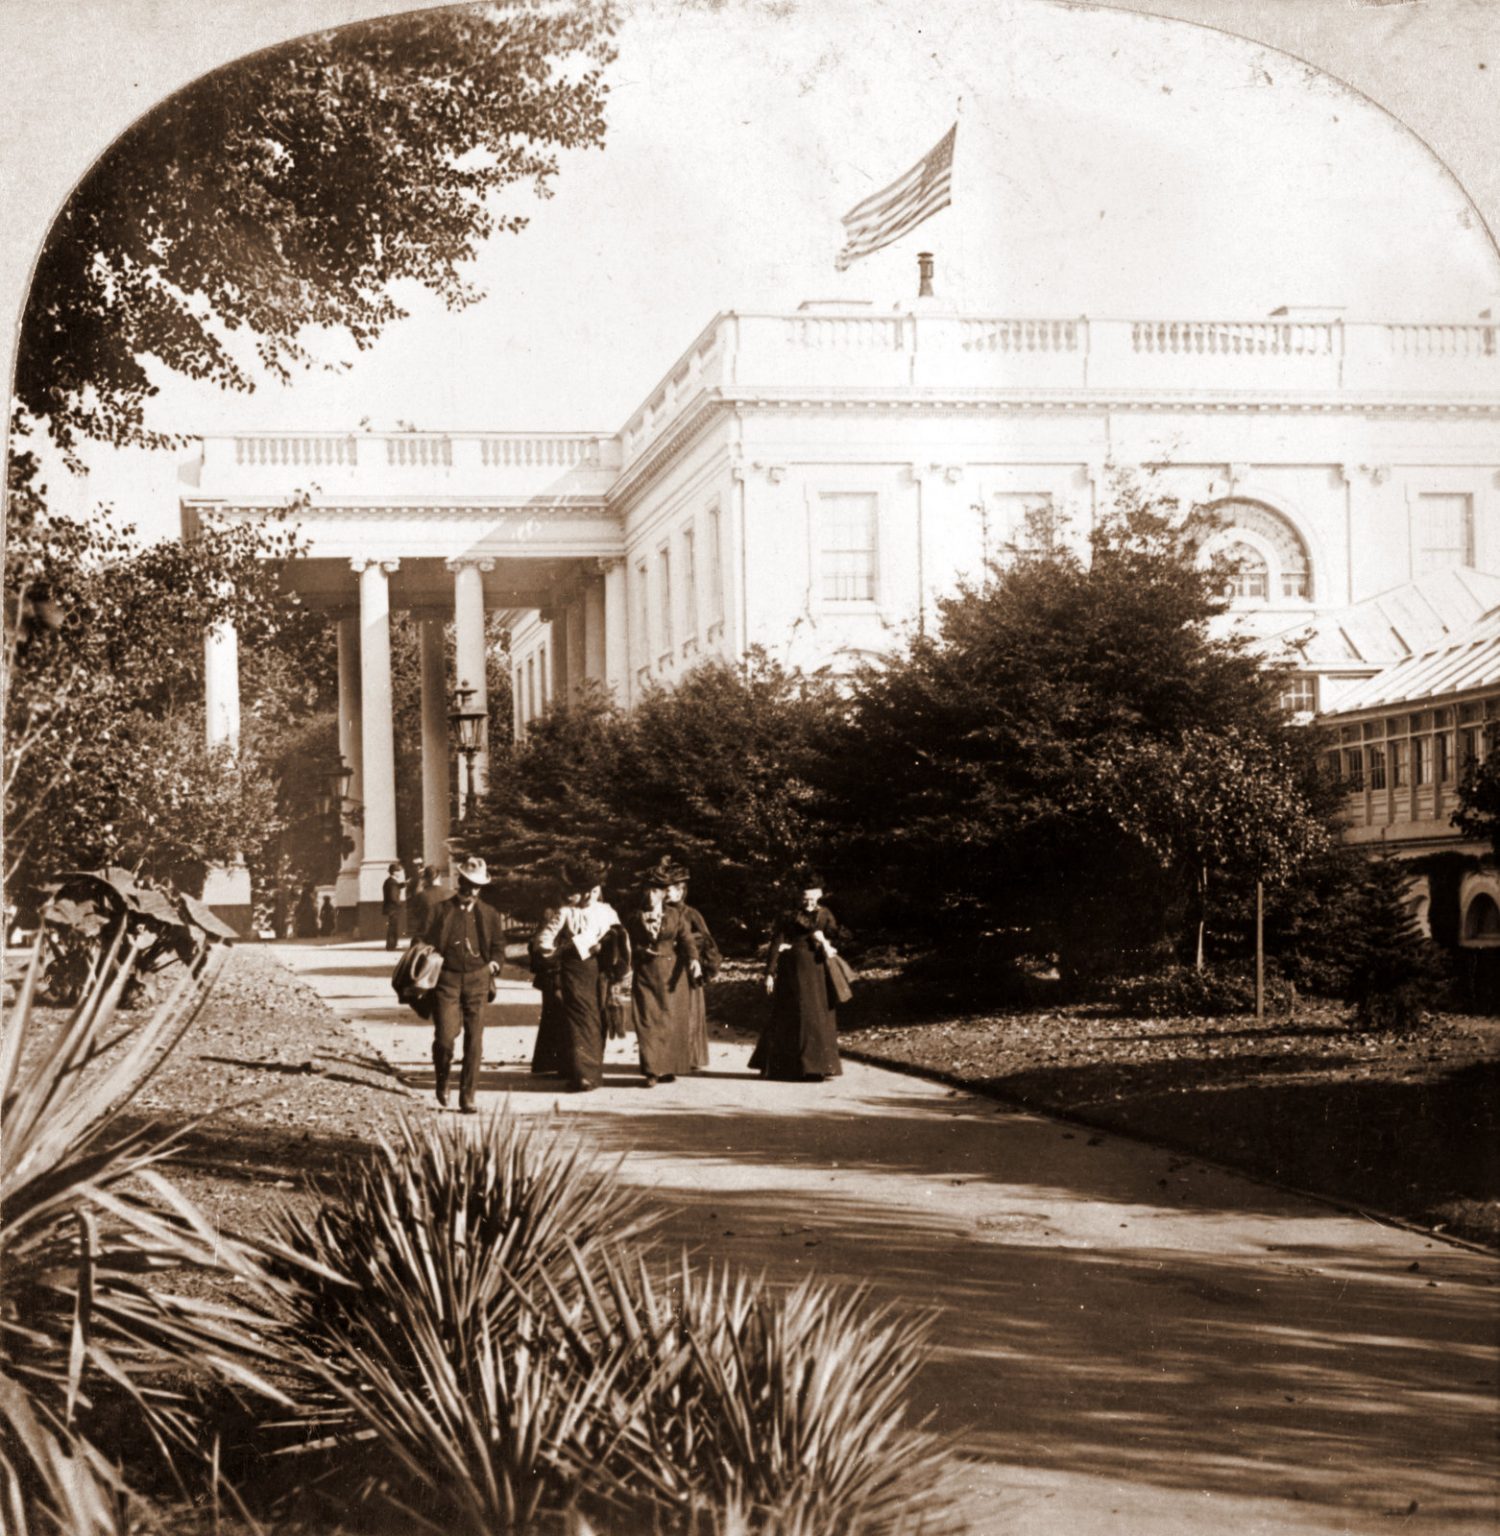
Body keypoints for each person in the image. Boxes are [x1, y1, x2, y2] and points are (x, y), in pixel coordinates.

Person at [533, 858, 625, 1093]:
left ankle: (593, 1072)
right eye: (586, 891)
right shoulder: (566, 912)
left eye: (594, 891)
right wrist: (564, 951)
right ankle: (582, 1075)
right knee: (578, 1020)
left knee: (597, 1019)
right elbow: (543, 941)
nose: (590, 896)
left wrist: (606, 947)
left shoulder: (606, 911)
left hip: (599, 971)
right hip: (573, 972)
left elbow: (620, 938)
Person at [421, 855, 504, 1113]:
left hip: (478, 980)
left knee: (474, 1040)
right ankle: (442, 1079)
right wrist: (428, 956)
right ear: (460, 881)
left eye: (478, 886)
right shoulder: (440, 911)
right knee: (445, 1037)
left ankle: (468, 1096)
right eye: (469, 884)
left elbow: (498, 946)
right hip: (447, 980)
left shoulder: (489, 914)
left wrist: (494, 964)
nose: (473, 891)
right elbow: (420, 940)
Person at [750, 871, 848, 1081]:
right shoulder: (789, 915)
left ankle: (817, 1067)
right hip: (793, 970)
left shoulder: (826, 914)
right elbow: (776, 943)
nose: (809, 903)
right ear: (799, 896)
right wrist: (769, 973)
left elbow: (839, 935)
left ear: (819, 895)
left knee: (818, 1015)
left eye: (813, 898)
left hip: (819, 969)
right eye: (805, 899)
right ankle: (789, 1068)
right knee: (795, 1013)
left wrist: (825, 939)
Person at [624, 863, 701, 1087]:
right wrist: (639, 951)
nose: (650, 895)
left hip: (671, 975)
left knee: (669, 1022)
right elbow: (625, 944)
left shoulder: (675, 915)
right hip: (645, 974)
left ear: (663, 893)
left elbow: (687, 940)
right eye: (647, 890)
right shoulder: (633, 917)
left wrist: (694, 960)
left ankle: (666, 1068)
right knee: (647, 1022)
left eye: (656, 890)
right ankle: (651, 1070)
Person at [664, 861, 721, 1071]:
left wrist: (690, 951)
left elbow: (707, 941)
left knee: (688, 1012)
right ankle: (667, 1056)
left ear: (680, 891)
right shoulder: (659, 912)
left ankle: (689, 1057)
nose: (664, 894)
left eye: (668, 890)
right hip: (664, 968)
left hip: (686, 969)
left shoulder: (691, 914)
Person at [381, 862, 407, 951]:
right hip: (393, 908)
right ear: (394, 872)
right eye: (398, 871)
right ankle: (391, 945)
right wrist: (399, 904)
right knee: (393, 927)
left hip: (390, 908)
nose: (400, 873)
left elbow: (396, 887)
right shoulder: (392, 883)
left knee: (393, 926)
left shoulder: (390, 881)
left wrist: (404, 884)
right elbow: (393, 896)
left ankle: (393, 944)